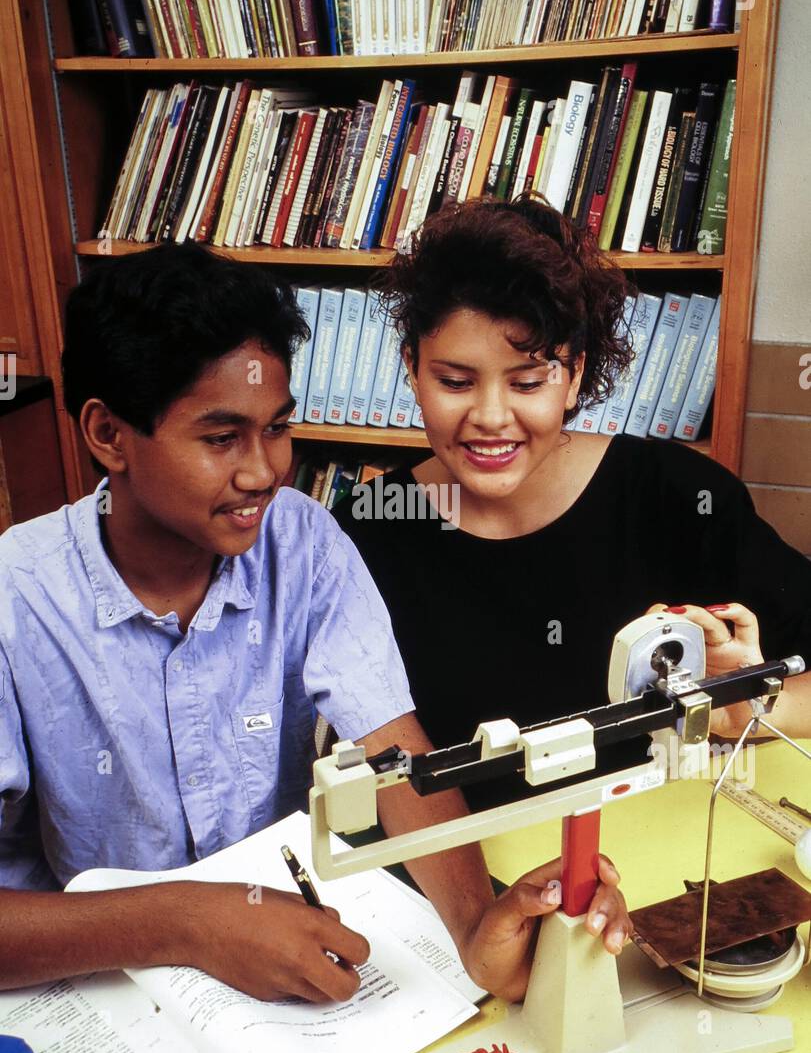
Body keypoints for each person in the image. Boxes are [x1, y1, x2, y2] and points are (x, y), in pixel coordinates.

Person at [0, 241, 628, 1008]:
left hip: (276, 962)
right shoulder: (16, 596)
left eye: (275, 429)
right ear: (108, 436)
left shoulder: (301, 541)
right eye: (221, 437)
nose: (264, 471)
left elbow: (395, 754)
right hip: (89, 984)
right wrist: (191, 923)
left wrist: (473, 931)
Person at [334, 196, 811, 807]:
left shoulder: (677, 498)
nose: (490, 418)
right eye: (454, 382)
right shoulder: (366, 530)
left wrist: (750, 705)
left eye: (528, 381)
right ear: (412, 369)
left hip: (650, 866)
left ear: (576, 375)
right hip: (465, 878)